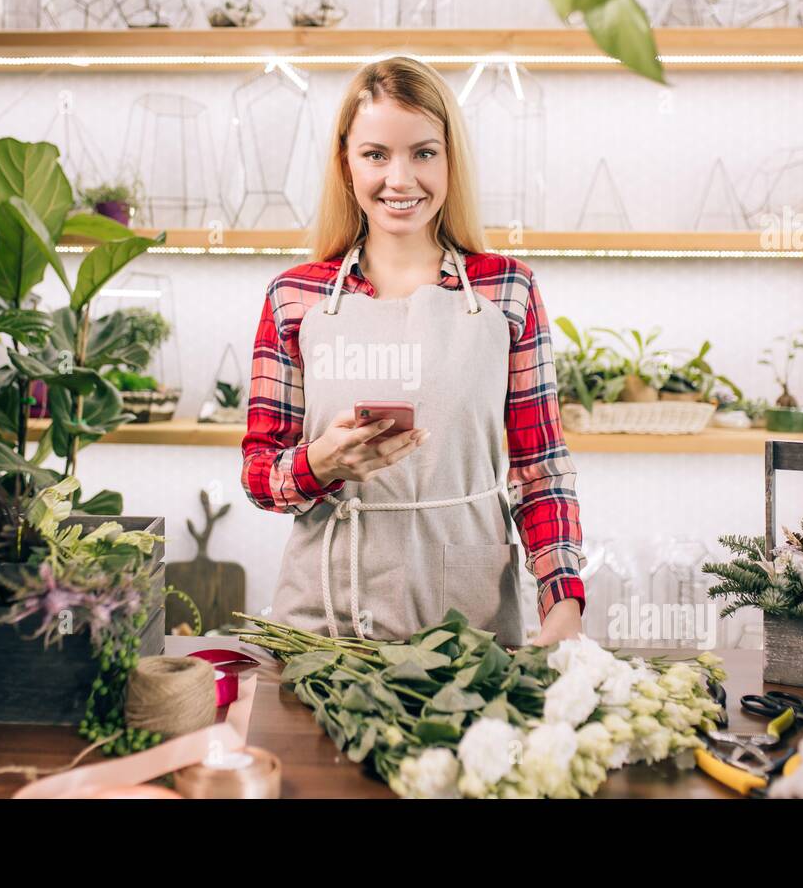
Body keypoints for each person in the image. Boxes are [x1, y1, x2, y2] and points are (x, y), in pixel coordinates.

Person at [241, 56, 584, 647]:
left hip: (468, 626)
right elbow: (257, 473)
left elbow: (540, 470)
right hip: (323, 628)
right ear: (346, 165)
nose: (400, 180)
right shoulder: (294, 297)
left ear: (451, 161)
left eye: (423, 153)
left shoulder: (509, 290)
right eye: (376, 154)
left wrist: (564, 602)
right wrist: (319, 463)